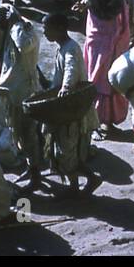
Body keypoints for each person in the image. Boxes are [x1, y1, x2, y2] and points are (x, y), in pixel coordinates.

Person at [40, 12, 101, 196]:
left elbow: (71, 69)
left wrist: (65, 88)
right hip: (69, 108)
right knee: (68, 151)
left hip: (72, 109)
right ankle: (82, 183)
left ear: (59, 29)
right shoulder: (62, 48)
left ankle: (79, 185)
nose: (44, 33)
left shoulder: (71, 49)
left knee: (67, 151)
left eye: (46, 29)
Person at [81, 0, 132, 136]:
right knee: (94, 81)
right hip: (95, 46)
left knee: (109, 83)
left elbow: (124, 25)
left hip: (113, 47)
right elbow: (87, 4)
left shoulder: (117, 0)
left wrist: (119, 45)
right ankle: (96, 120)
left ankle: (108, 121)